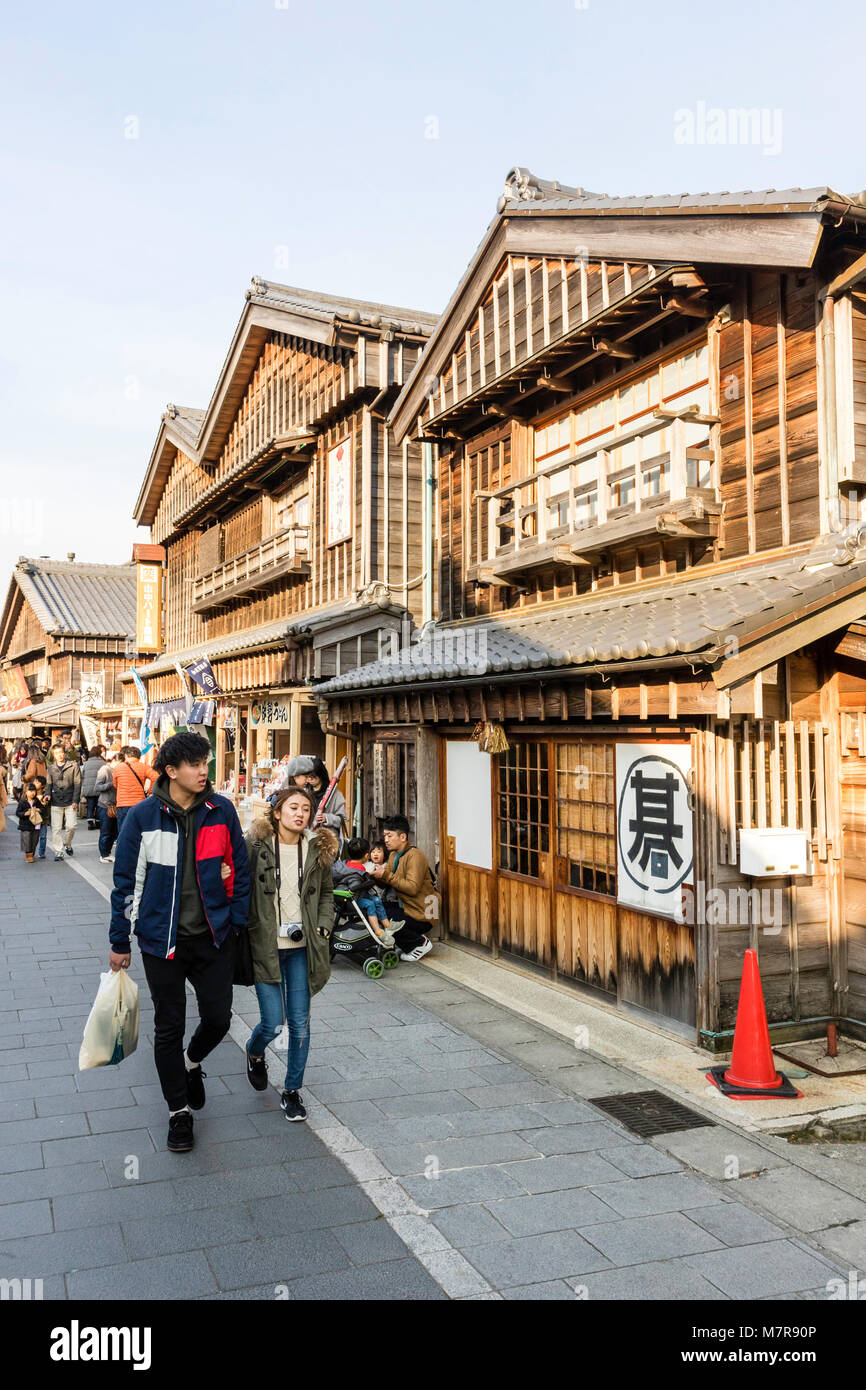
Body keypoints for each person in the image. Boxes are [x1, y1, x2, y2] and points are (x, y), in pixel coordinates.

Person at [108, 731, 251, 1154]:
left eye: (205, 763)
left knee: (219, 1019)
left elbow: (239, 869)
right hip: (161, 942)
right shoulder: (142, 817)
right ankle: (178, 1113)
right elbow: (125, 883)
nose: (204, 770)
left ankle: (192, 1063)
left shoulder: (221, 810)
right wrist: (120, 939)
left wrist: (235, 921)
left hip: (214, 937)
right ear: (171, 771)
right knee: (167, 1026)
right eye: (195, 764)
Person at [244, 785, 337, 1122]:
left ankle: (292, 1090)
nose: (301, 814)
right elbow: (238, 886)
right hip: (265, 946)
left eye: (307, 809)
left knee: (299, 1023)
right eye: (294, 807)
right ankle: (255, 1052)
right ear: (278, 810)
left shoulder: (316, 849)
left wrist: (324, 927)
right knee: (272, 1023)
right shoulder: (255, 846)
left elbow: (326, 894)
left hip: (302, 949)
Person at [369, 814, 438, 962]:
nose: (385, 840)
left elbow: (412, 888)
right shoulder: (394, 854)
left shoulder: (415, 855)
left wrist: (385, 875)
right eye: (385, 835)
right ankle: (407, 941)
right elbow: (389, 882)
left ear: (403, 837)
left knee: (384, 915)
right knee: (375, 908)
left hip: (423, 914)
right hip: (409, 908)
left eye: (389, 835)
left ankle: (420, 943)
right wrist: (376, 875)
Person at [332, 837, 393, 937]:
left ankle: (388, 925)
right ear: (366, 856)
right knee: (371, 903)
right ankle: (379, 931)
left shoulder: (342, 865)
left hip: (339, 899)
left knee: (376, 900)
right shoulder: (361, 870)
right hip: (352, 901)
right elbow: (365, 885)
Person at [284, 755, 347, 833]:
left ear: (320, 775)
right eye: (308, 777)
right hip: (307, 838)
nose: (310, 780)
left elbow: (343, 820)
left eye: (313, 777)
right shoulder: (304, 793)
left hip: (328, 839)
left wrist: (327, 818)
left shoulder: (335, 794)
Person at [47, 742, 81, 861]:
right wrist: (47, 794)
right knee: (56, 828)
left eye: (61, 753)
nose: (59, 756)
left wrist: (76, 800)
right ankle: (58, 851)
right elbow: (49, 784)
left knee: (71, 826)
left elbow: (78, 784)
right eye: (56, 754)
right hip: (56, 800)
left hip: (70, 800)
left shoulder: (73, 765)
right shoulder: (51, 768)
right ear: (53, 755)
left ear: (64, 753)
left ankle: (67, 843)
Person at [112, 745, 155, 834]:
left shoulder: (118, 767)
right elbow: (156, 778)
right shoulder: (144, 767)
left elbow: (115, 785)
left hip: (123, 804)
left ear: (126, 756)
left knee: (123, 831)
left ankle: (123, 847)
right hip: (139, 804)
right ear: (139, 757)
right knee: (139, 830)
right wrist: (150, 790)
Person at [94, 756, 118, 862]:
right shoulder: (105, 770)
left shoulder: (119, 771)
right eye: (118, 762)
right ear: (113, 760)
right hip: (105, 805)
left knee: (114, 831)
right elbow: (97, 787)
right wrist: (111, 784)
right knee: (106, 831)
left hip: (115, 805)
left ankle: (107, 853)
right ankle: (104, 854)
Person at [16, 782, 44, 862]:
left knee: (34, 840)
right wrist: (25, 813)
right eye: (30, 791)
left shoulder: (36, 801)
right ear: (26, 792)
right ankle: (28, 855)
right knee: (27, 840)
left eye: (34, 791)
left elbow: (43, 809)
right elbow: (18, 813)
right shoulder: (22, 802)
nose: (33, 793)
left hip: (36, 824)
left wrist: (39, 810)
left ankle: (31, 854)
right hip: (25, 825)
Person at [81, 744, 106, 829]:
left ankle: (90, 823)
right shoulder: (103, 763)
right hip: (100, 788)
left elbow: (82, 775)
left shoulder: (86, 764)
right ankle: (98, 822)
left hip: (89, 789)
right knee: (99, 805)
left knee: (90, 805)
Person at [31, 776, 51, 858]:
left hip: (43, 819)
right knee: (33, 837)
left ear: (42, 785)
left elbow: (46, 807)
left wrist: (43, 801)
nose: (34, 783)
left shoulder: (46, 795)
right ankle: (31, 852)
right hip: (34, 820)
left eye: (37, 782)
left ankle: (41, 853)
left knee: (43, 836)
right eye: (34, 781)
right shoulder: (31, 793)